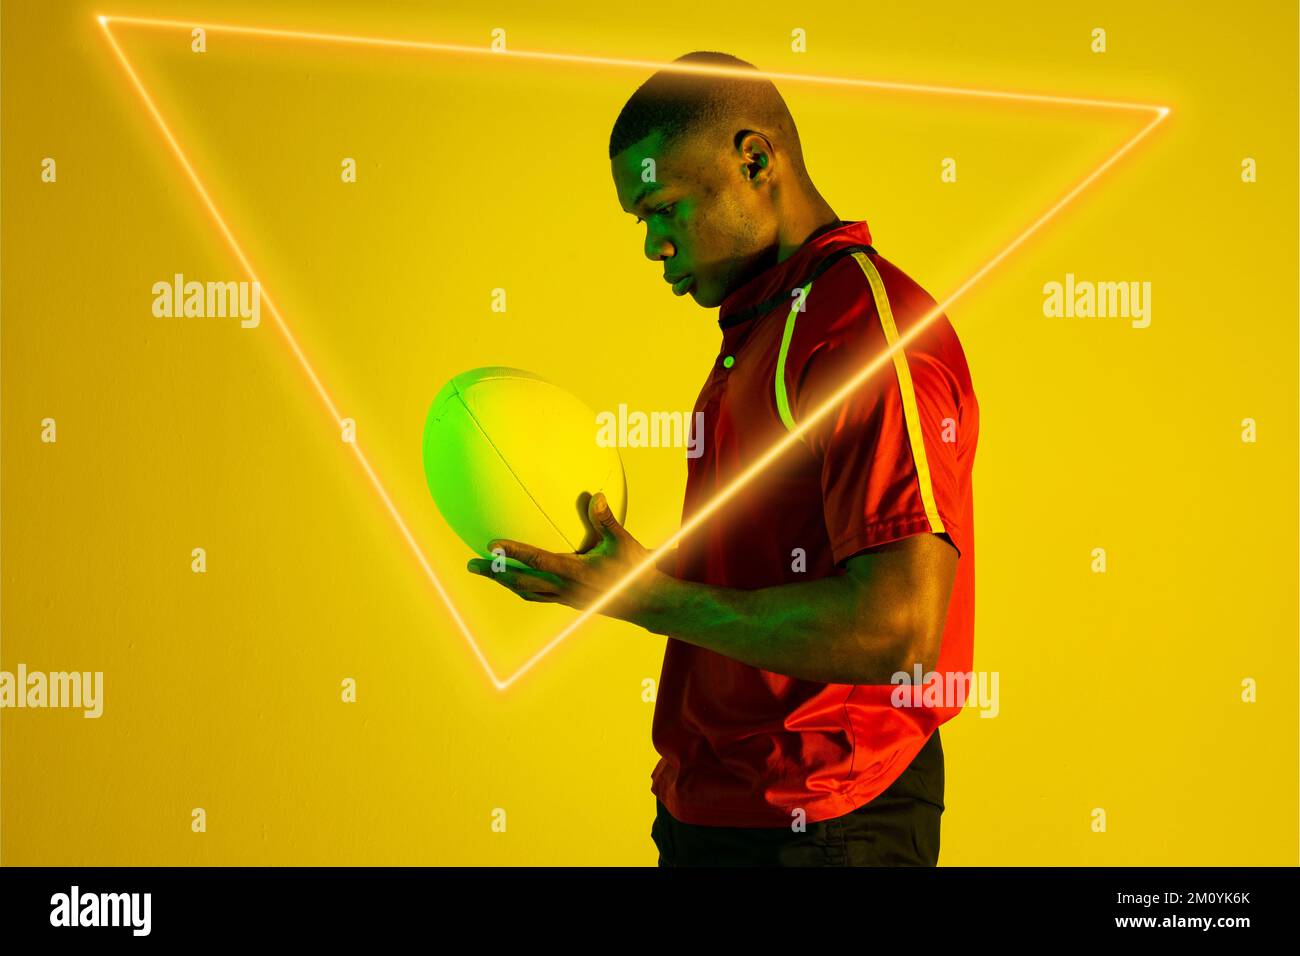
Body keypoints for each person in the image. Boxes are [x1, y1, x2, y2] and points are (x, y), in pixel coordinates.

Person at [466, 51, 978, 867]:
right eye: (640, 221)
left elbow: (901, 631)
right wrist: (615, 572)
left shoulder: (868, 339)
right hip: (710, 807)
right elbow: (762, 572)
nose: (652, 246)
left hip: (832, 822)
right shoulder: (765, 326)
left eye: (660, 209)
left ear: (754, 160)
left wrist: (644, 598)